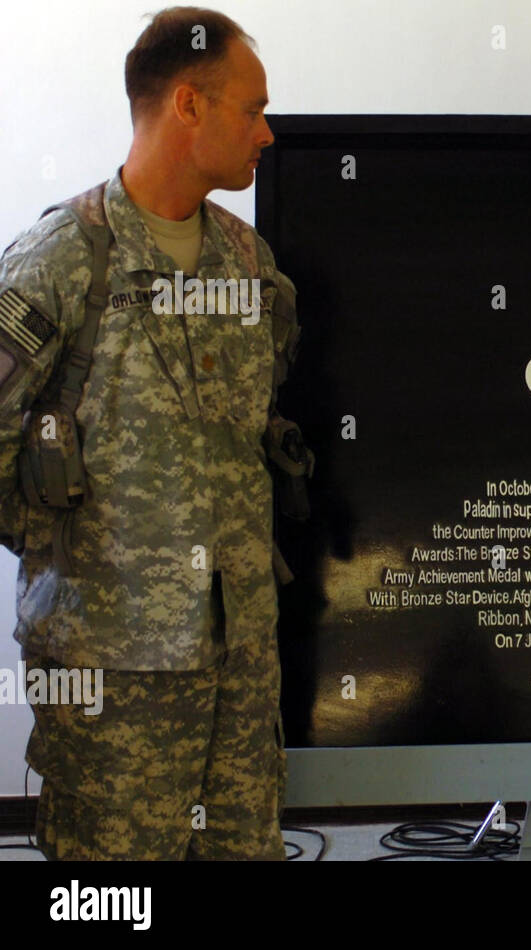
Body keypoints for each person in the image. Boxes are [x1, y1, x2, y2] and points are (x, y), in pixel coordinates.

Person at [0, 6, 303, 859]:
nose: (267, 132)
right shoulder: (64, 261)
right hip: (111, 665)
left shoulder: (249, 267)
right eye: (252, 109)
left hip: (237, 658)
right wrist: (60, 544)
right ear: (188, 106)